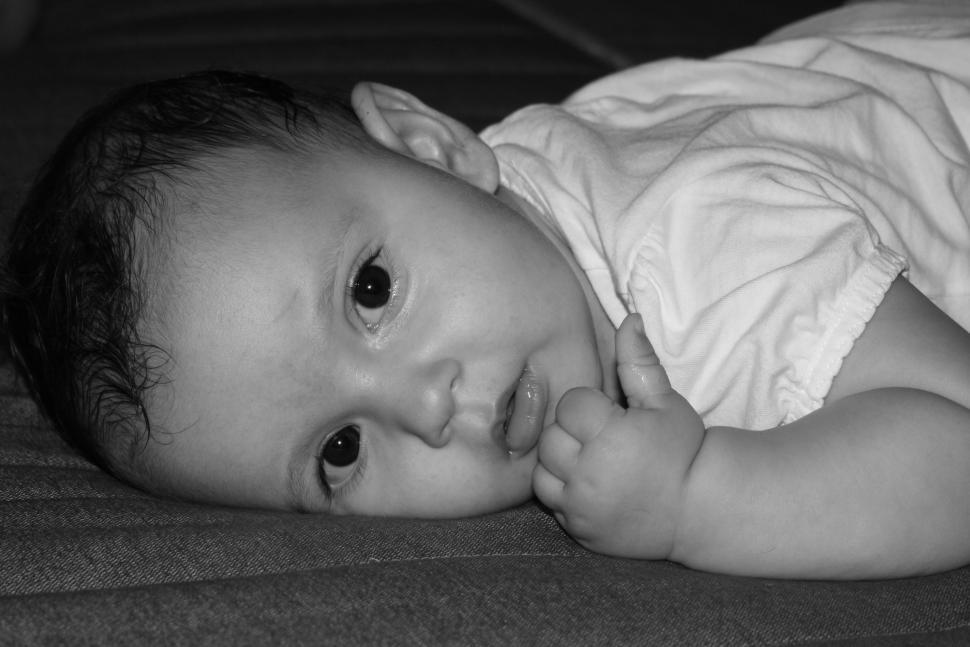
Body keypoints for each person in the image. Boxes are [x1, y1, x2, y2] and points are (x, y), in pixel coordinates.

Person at [2, 0, 968, 580]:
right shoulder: (513, 195)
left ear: (432, 145)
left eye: (371, 290)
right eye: (341, 451)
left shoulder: (706, 265)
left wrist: (702, 496)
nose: (428, 404)